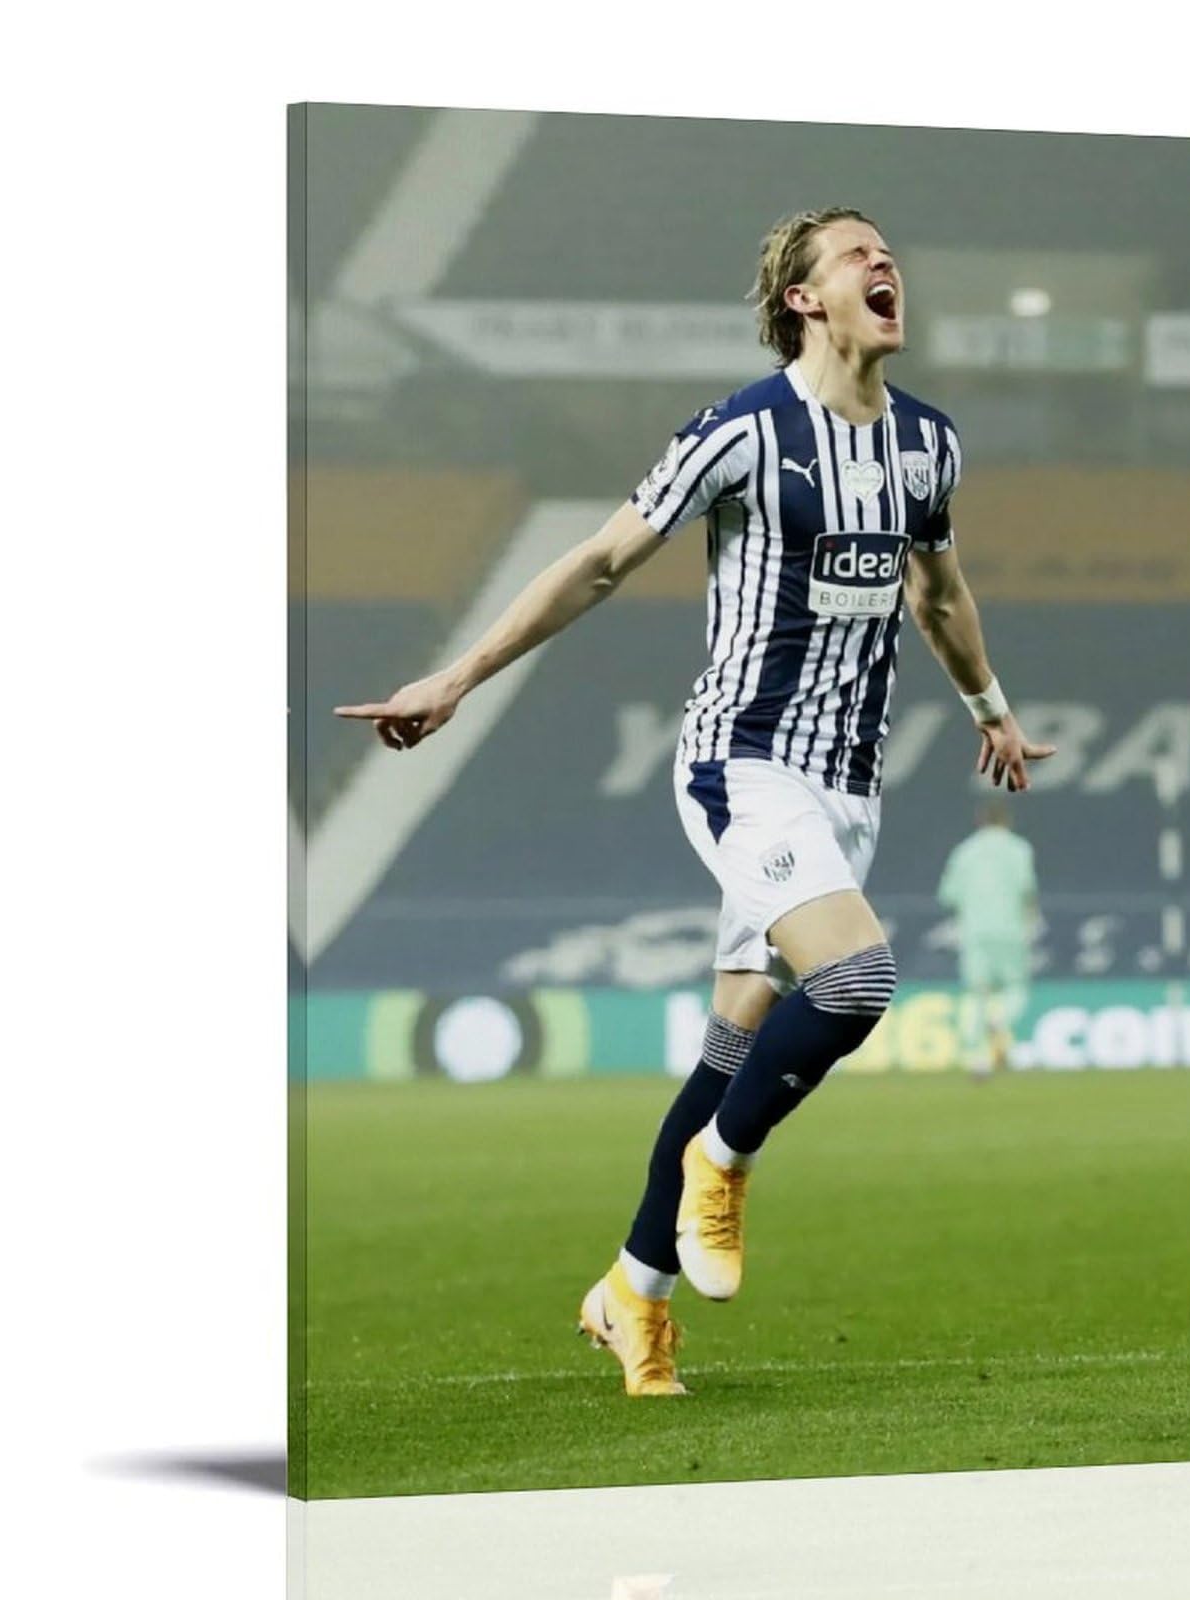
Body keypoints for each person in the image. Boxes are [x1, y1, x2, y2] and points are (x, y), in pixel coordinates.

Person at [336, 208, 1056, 1397]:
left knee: (732, 1044)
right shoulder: (741, 433)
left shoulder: (929, 444)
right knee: (856, 982)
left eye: (888, 252)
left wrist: (989, 707)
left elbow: (937, 593)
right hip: (742, 763)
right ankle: (720, 1165)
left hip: (845, 788)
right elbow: (599, 561)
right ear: (802, 300)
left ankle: (632, 1294)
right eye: (856, 254)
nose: (884, 263)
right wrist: (456, 677)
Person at [937, 800, 1039, 1074]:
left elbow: (947, 895)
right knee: (1016, 988)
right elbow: (1027, 889)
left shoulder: (964, 852)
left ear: (980, 820)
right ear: (1007, 820)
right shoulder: (1019, 849)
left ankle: (977, 1057)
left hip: (974, 932)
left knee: (976, 993)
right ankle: (1000, 1022)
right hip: (1011, 929)